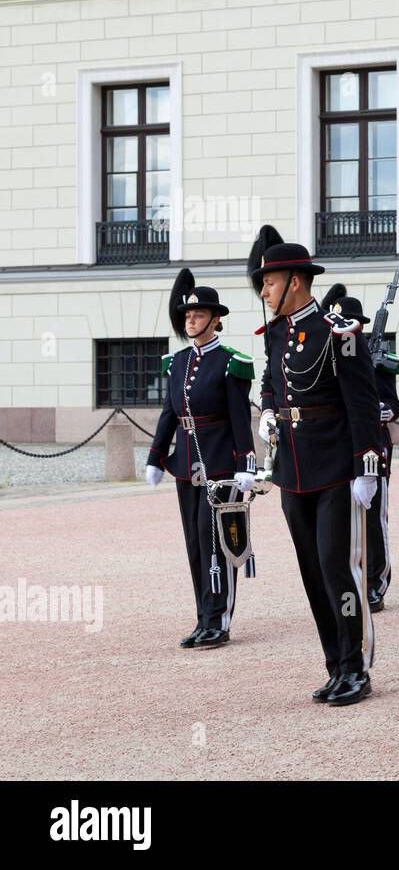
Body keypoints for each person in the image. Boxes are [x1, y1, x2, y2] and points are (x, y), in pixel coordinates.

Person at [250, 227, 386, 706]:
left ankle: (357, 667)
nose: (264, 291)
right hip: (293, 469)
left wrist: (367, 468)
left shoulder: (338, 333)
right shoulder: (277, 335)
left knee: (337, 567)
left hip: (334, 469)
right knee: (312, 571)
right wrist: (267, 411)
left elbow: (363, 404)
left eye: (269, 282)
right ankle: (334, 666)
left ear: (295, 281)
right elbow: (269, 382)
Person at [146, 269, 257, 650]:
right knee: (195, 543)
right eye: (187, 316)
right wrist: (156, 456)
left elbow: (240, 418)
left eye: (197, 315)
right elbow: (169, 413)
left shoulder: (230, 362)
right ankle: (202, 617)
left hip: (220, 465)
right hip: (185, 464)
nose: (190, 320)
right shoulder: (176, 363)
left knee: (216, 544)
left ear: (215, 319)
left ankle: (219, 619)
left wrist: (246, 462)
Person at [322, 286, 399, 610]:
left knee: (373, 519)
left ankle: (376, 583)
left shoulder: (380, 360)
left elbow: (393, 404)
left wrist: (379, 410)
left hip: (373, 448)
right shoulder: (329, 359)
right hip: (341, 449)